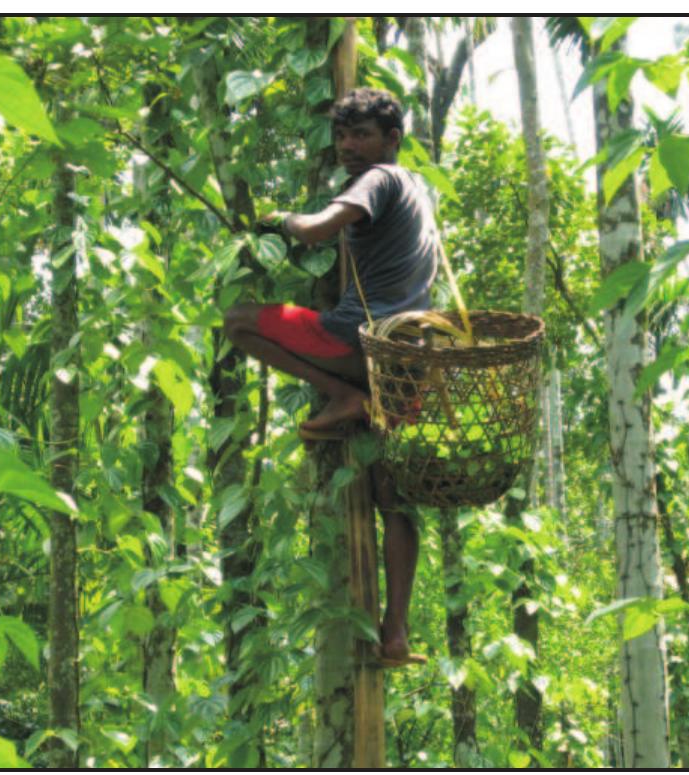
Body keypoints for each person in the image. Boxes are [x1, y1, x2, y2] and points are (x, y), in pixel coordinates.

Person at [222, 88, 439, 666]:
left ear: (392, 140)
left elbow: (318, 230)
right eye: (342, 136)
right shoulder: (419, 188)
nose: (348, 147)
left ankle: (343, 395)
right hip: (408, 363)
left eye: (361, 135)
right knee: (394, 500)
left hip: (358, 343)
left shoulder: (380, 179)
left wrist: (275, 220)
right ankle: (395, 634)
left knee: (239, 321)